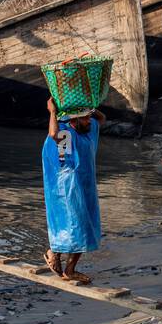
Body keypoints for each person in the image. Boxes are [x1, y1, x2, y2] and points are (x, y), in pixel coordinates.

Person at [41, 97, 105, 284]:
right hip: (66, 188)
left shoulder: (89, 129)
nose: (88, 121)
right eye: (84, 118)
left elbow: (101, 119)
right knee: (73, 224)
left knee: (83, 225)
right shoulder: (67, 133)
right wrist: (52, 111)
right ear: (73, 121)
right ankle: (56, 255)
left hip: (85, 185)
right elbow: (54, 134)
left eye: (87, 117)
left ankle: (67, 266)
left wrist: (91, 109)